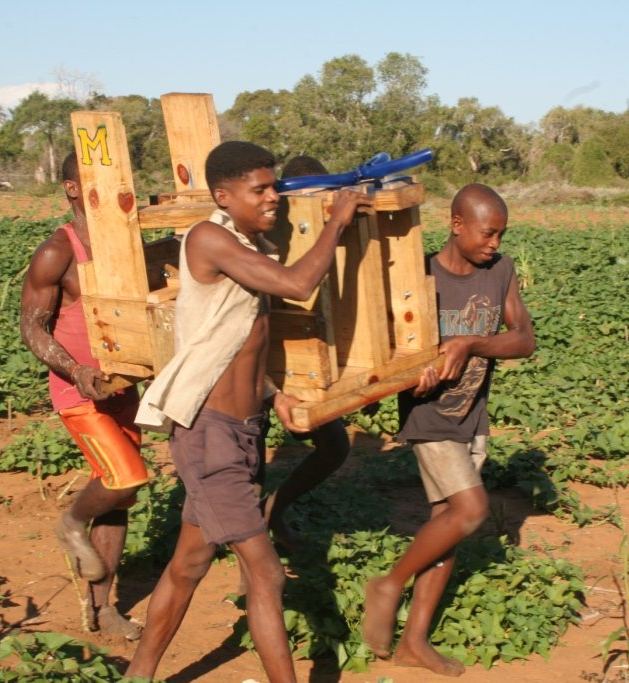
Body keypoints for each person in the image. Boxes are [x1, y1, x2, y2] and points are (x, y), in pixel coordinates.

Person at [127, 141, 373, 683]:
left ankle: (137, 676)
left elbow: (238, 341)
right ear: (223, 195)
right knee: (267, 574)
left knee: (190, 563)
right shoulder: (209, 237)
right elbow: (298, 284)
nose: (273, 199)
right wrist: (336, 222)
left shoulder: (248, 244)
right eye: (259, 190)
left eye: (274, 188)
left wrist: (271, 393)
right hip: (209, 435)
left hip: (242, 431)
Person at [362, 183, 536, 676]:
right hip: (429, 415)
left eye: (501, 235)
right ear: (457, 225)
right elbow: (385, 343)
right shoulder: (419, 276)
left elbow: (524, 339)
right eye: (488, 233)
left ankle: (413, 642)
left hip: (472, 415)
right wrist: (407, 373)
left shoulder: (500, 271)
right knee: (471, 509)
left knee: (447, 526)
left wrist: (469, 344)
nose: (494, 244)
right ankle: (388, 583)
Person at [19, 151, 149, 640]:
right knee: (124, 477)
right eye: (98, 181)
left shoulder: (126, 245)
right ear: (72, 188)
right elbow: (31, 327)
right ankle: (71, 521)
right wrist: (75, 371)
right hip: (78, 392)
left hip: (123, 387)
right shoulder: (57, 251)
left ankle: (101, 609)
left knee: (120, 498)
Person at [261, 154, 352, 552]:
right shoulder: (269, 234)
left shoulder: (327, 231)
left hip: (302, 358)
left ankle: (272, 512)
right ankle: (251, 554)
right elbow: (295, 286)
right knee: (248, 460)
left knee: (335, 446)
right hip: (259, 363)